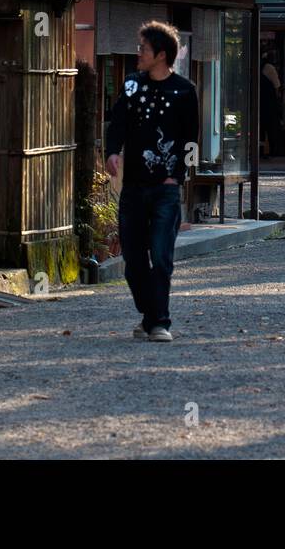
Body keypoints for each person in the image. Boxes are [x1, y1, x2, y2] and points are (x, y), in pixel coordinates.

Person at [105, 21, 199, 343]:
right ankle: (150, 313)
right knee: (133, 261)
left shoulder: (185, 90)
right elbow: (117, 122)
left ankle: (160, 321)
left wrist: (180, 177)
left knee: (160, 255)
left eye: (143, 48)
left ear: (161, 54)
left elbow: (191, 140)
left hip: (166, 189)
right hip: (133, 186)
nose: (138, 53)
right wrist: (112, 152)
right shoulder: (132, 85)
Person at [260, 53, 282, 158]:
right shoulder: (269, 68)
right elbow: (277, 85)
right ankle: (273, 151)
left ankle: (259, 151)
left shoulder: (253, 66)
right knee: (271, 127)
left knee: (260, 128)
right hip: (269, 102)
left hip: (258, 102)